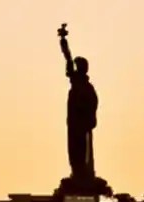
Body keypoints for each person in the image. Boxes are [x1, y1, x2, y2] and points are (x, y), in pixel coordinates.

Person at [58, 23, 98, 179]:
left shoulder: (85, 87)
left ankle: (82, 174)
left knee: (82, 151)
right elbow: (67, 57)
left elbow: (92, 105)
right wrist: (63, 40)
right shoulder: (78, 83)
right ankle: (77, 173)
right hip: (74, 124)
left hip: (80, 125)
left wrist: (85, 115)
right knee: (74, 151)